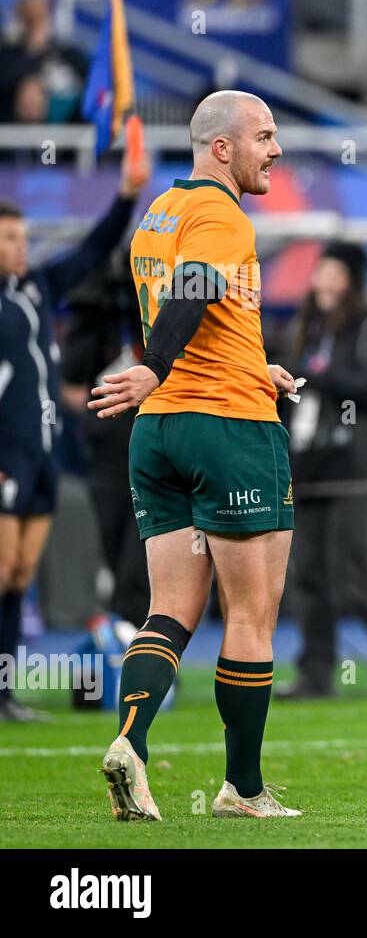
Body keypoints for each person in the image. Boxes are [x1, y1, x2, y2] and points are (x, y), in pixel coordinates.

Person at [90, 90, 301, 820]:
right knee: (251, 615)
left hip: (160, 432)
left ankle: (130, 744)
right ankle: (241, 789)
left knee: (170, 610)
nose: (275, 150)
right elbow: (196, 288)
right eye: (265, 137)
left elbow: (205, 311)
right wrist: (154, 363)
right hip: (227, 429)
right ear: (222, 147)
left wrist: (253, 366)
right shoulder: (220, 214)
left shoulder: (159, 214)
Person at [0, 154, 148, 723]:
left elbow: (91, 249)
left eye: (22, 235)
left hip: (41, 453)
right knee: (2, 569)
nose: (21, 245)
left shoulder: (36, 284)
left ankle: (6, 692)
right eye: (10, 237)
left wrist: (126, 196)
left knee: (18, 575)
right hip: (6, 455)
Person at [278, 241, 367, 699]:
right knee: (311, 573)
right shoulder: (308, 327)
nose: (323, 281)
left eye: (334, 273)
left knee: (353, 569)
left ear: (353, 282)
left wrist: (316, 376)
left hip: (356, 466)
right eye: (321, 271)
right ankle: (316, 675)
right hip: (310, 463)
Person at [62, 247, 152, 636]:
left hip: (152, 447)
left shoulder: (154, 309)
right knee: (115, 551)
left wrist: (136, 300)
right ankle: (129, 644)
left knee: (142, 558)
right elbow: (74, 369)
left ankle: (145, 646)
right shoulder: (96, 317)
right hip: (106, 450)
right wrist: (93, 306)